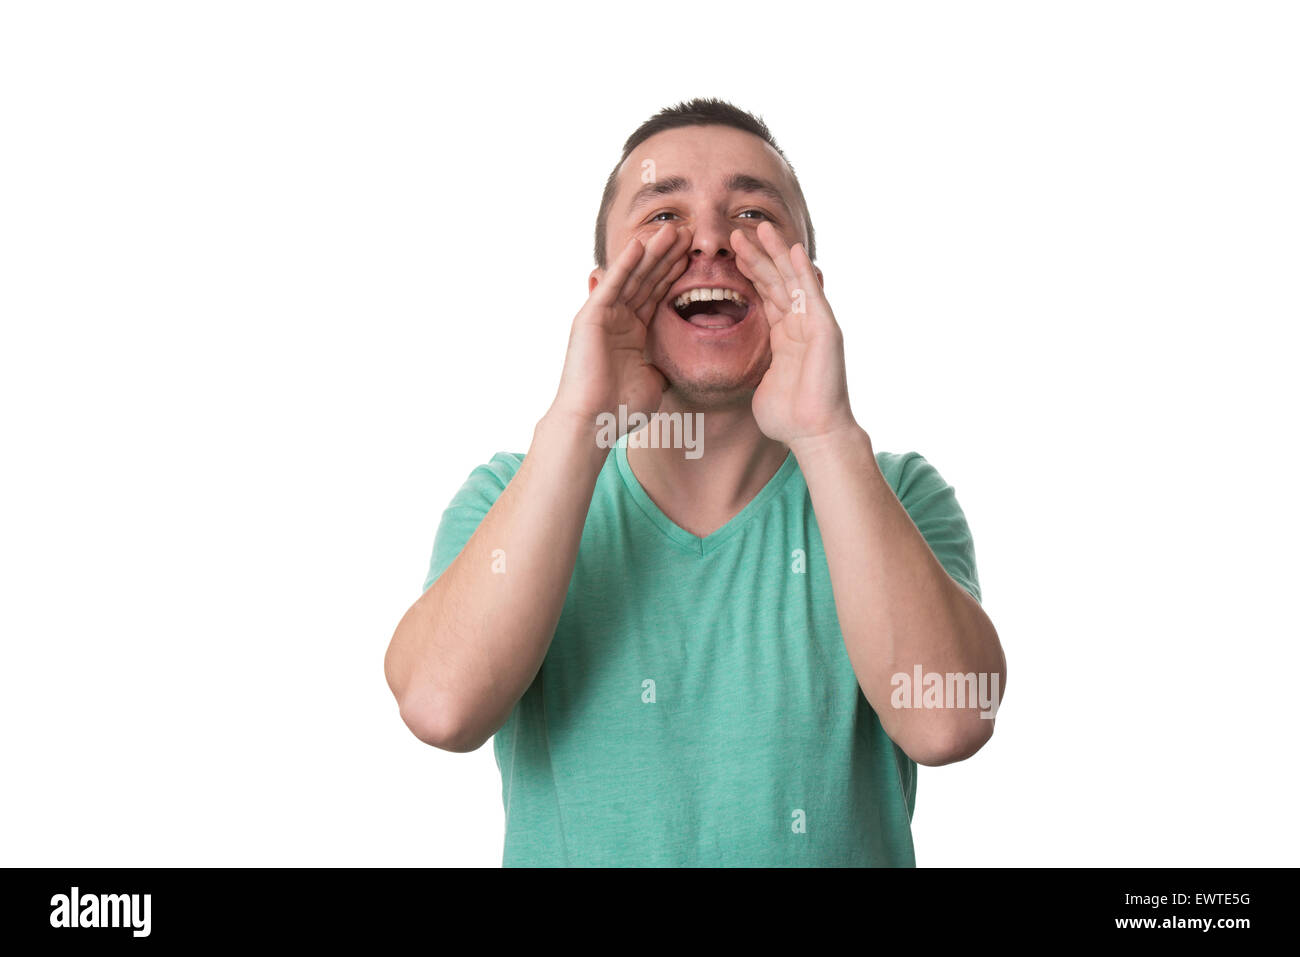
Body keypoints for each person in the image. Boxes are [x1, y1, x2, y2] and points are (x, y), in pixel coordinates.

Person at [384, 98, 1007, 867]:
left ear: (805, 279)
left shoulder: (898, 495)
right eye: (662, 216)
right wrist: (582, 423)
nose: (712, 239)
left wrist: (824, 429)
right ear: (601, 289)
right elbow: (440, 708)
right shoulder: (510, 497)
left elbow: (948, 722)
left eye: (752, 213)